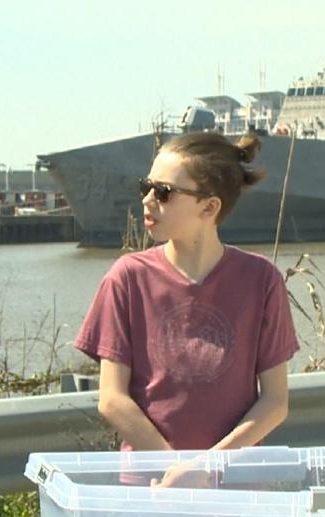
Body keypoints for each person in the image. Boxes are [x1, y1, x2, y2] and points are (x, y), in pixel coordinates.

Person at [75, 132, 298, 487]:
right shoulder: (127, 278)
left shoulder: (262, 281)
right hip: (151, 487)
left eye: (163, 193)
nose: (148, 200)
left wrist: (208, 468)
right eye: (146, 187)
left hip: (238, 486)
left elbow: (274, 401)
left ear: (209, 208)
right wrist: (175, 470)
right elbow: (112, 399)